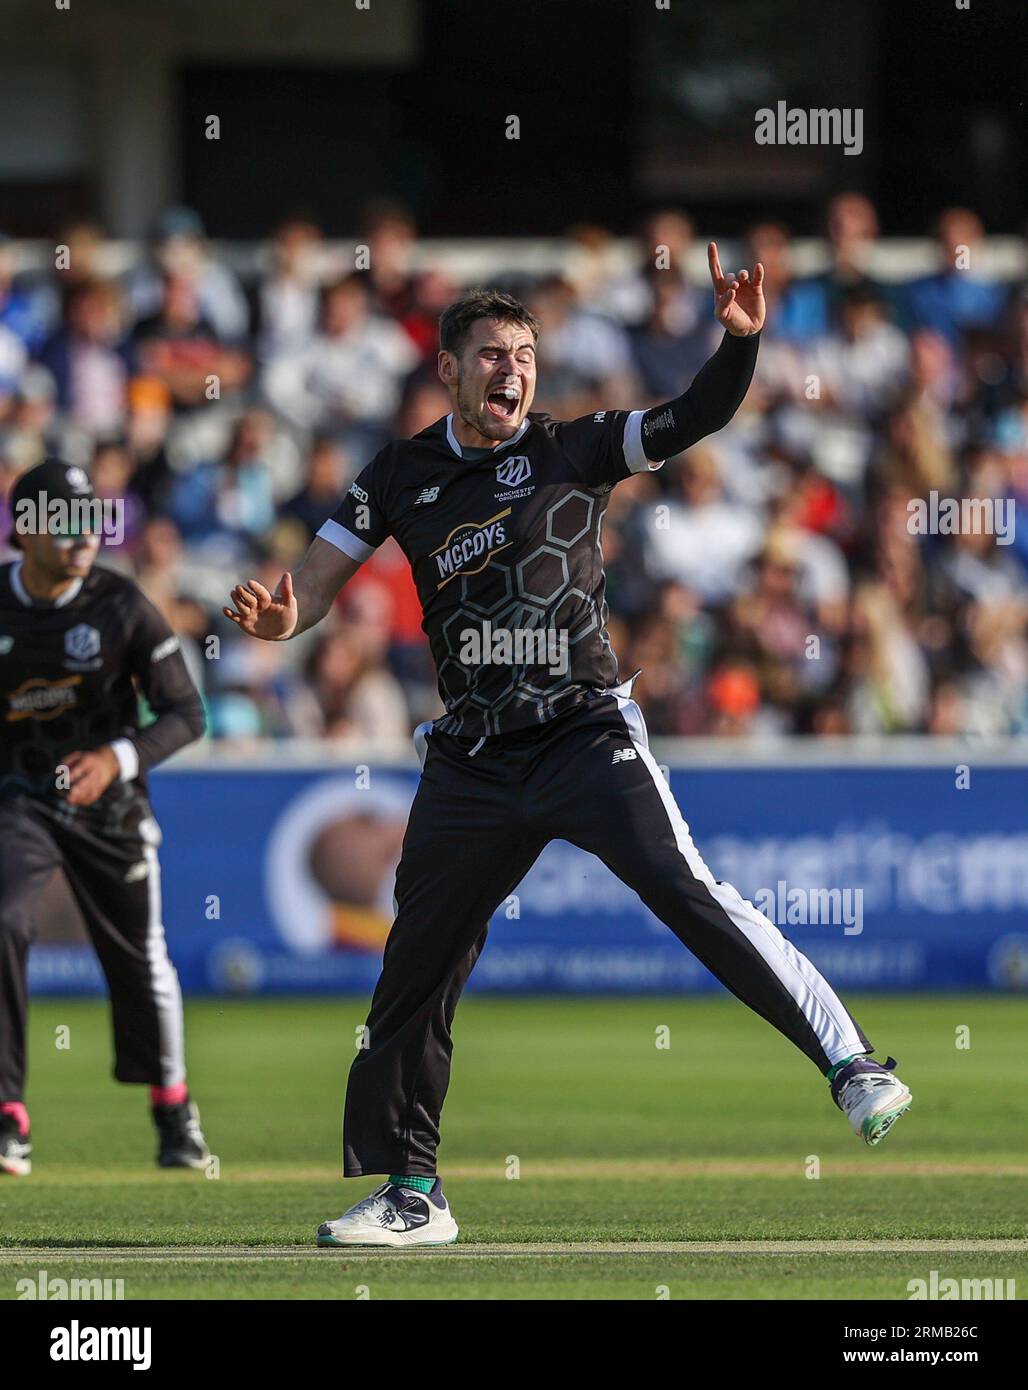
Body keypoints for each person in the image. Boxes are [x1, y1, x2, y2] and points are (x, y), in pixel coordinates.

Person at [225, 246, 912, 1248]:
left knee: (689, 894)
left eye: (524, 354)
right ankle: (411, 1193)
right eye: (491, 353)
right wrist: (278, 619)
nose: (511, 368)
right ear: (449, 370)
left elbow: (693, 417)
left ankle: (852, 1065)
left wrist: (740, 341)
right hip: (468, 756)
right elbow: (310, 594)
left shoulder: (572, 447)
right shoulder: (396, 475)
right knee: (414, 966)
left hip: (584, 730)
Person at [0, 458, 209, 1176]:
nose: (83, 533)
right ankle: (8, 1114)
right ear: (24, 530)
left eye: (91, 517)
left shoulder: (121, 605)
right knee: (3, 919)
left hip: (110, 803)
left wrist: (116, 759)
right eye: (64, 518)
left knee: (139, 957)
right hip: (18, 795)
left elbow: (188, 713)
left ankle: (173, 1108)